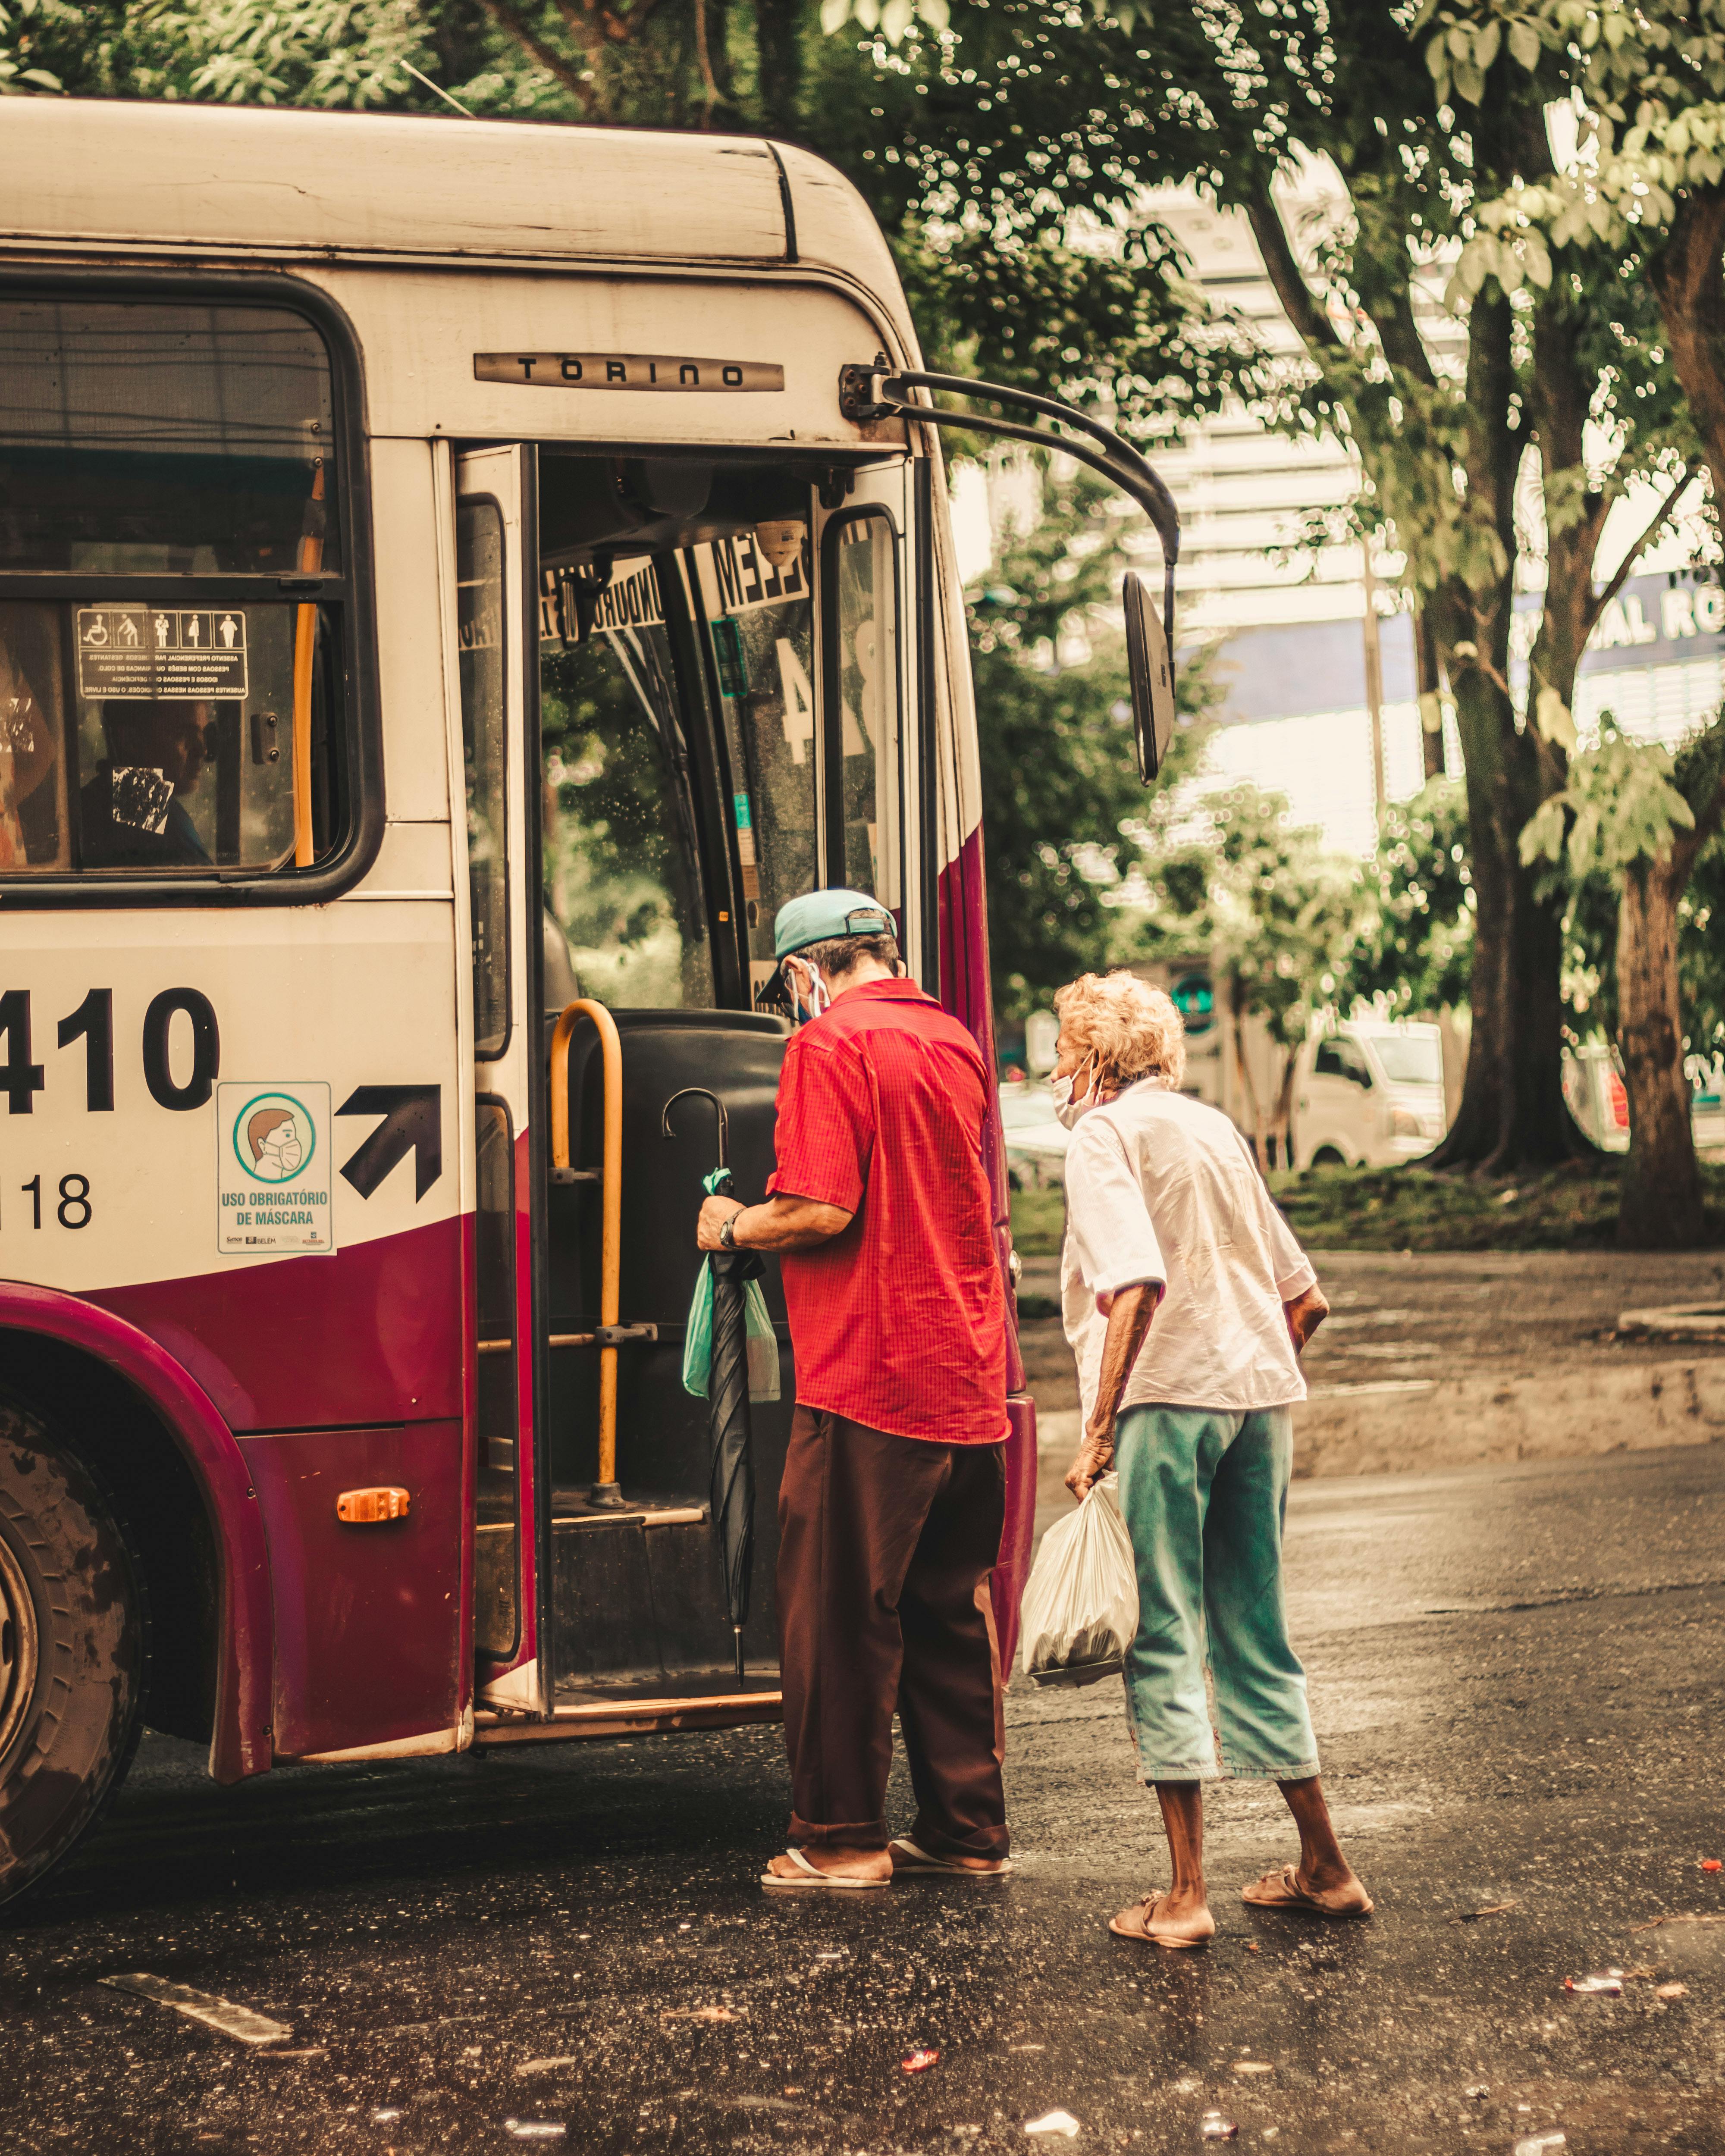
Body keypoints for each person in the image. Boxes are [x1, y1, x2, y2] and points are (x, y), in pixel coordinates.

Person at [696, 890, 1011, 1892]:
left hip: (868, 1379)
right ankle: (965, 1832)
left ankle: (840, 1838)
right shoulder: (951, 1039)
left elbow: (821, 1206)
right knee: (946, 1611)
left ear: (802, 973)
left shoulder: (827, 1045)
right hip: (967, 1373)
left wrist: (732, 1225)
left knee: (836, 1613)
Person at [1052, 969, 1370, 1947]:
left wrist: (1101, 1426)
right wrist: (1239, 1370)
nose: (1055, 1072)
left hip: (1164, 1402)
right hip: (1258, 1399)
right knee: (1253, 1632)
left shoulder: (1104, 1135)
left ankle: (1184, 1895)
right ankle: (1324, 1863)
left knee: (1164, 1630)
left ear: (1099, 1061)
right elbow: (1303, 1298)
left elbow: (1134, 1284)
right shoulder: (1213, 1129)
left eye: (1065, 1054)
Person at [80, 698, 211, 868]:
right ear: (132, 741)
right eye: (183, 733)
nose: (202, 750)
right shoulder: (142, 802)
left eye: (202, 733)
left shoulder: (97, 796)